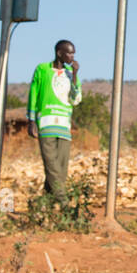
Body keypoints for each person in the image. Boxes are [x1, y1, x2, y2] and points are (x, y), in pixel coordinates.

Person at [27, 40, 82, 204]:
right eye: (69, 53)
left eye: (73, 54)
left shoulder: (71, 74)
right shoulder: (42, 69)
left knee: (61, 170)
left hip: (64, 126)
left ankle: (44, 206)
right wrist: (31, 120)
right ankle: (64, 204)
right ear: (59, 53)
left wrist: (75, 75)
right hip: (46, 123)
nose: (72, 57)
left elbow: (75, 99)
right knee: (52, 166)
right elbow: (33, 93)